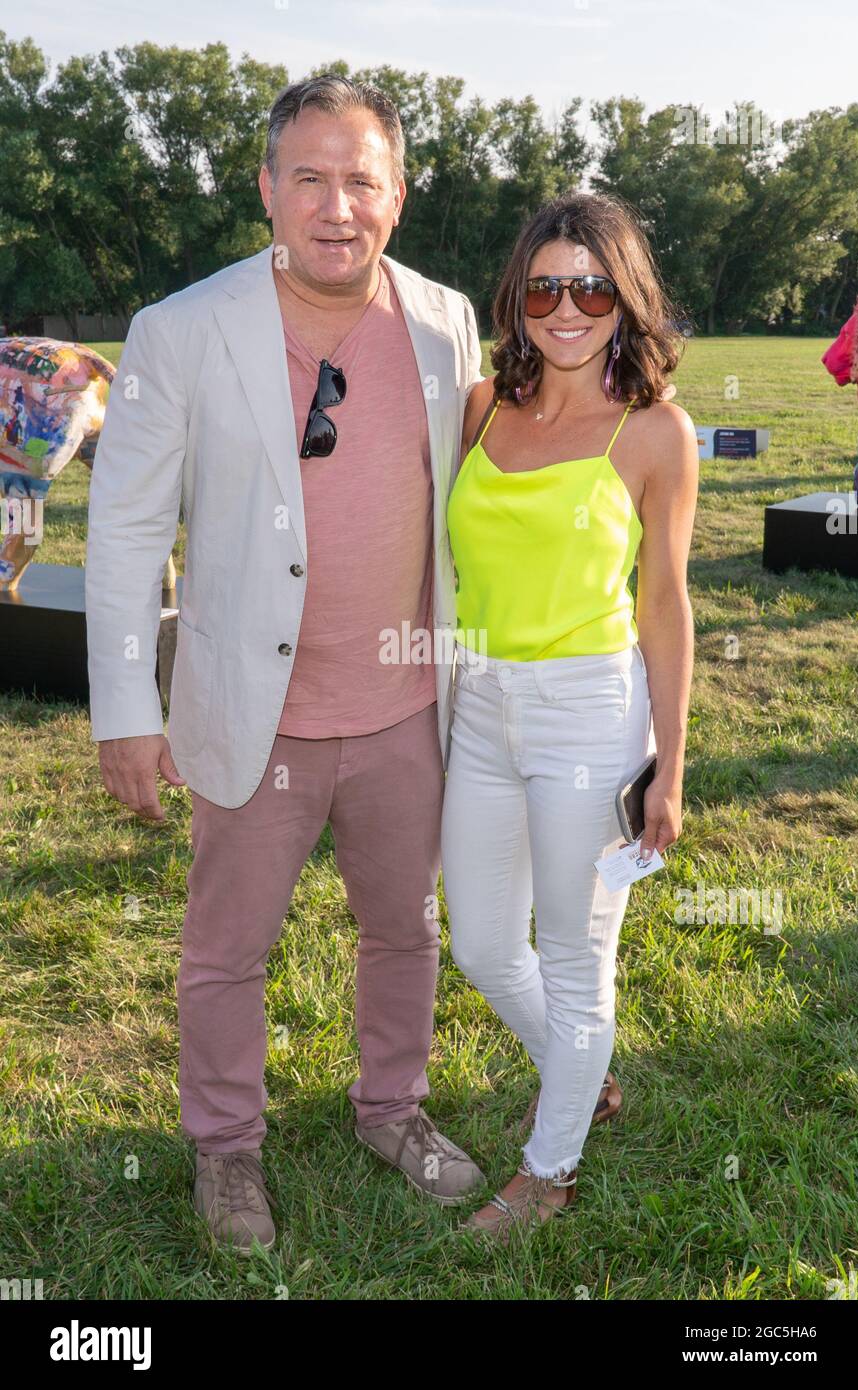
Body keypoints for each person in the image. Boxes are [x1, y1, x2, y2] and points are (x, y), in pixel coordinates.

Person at [86, 74, 496, 1254]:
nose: (334, 205)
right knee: (228, 949)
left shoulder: (444, 319)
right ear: (266, 189)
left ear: (398, 195)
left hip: (408, 701)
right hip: (249, 713)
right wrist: (125, 705)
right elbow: (121, 532)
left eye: (359, 179)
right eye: (307, 177)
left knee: (403, 928)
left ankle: (393, 1108)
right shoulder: (180, 328)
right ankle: (225, 1152)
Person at [441, 192, 699, 1239]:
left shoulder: (655, 432)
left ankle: (547, 1175)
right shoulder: (480, 407)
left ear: (625, 299)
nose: (565, 307)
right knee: (484, 948)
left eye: (590, 287)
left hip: (591, 712)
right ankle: (577, 1075)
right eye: (544, 285)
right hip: (482, 701)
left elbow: (667, 605)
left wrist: (670, 768)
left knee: (575, 961)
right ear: (517, 295)